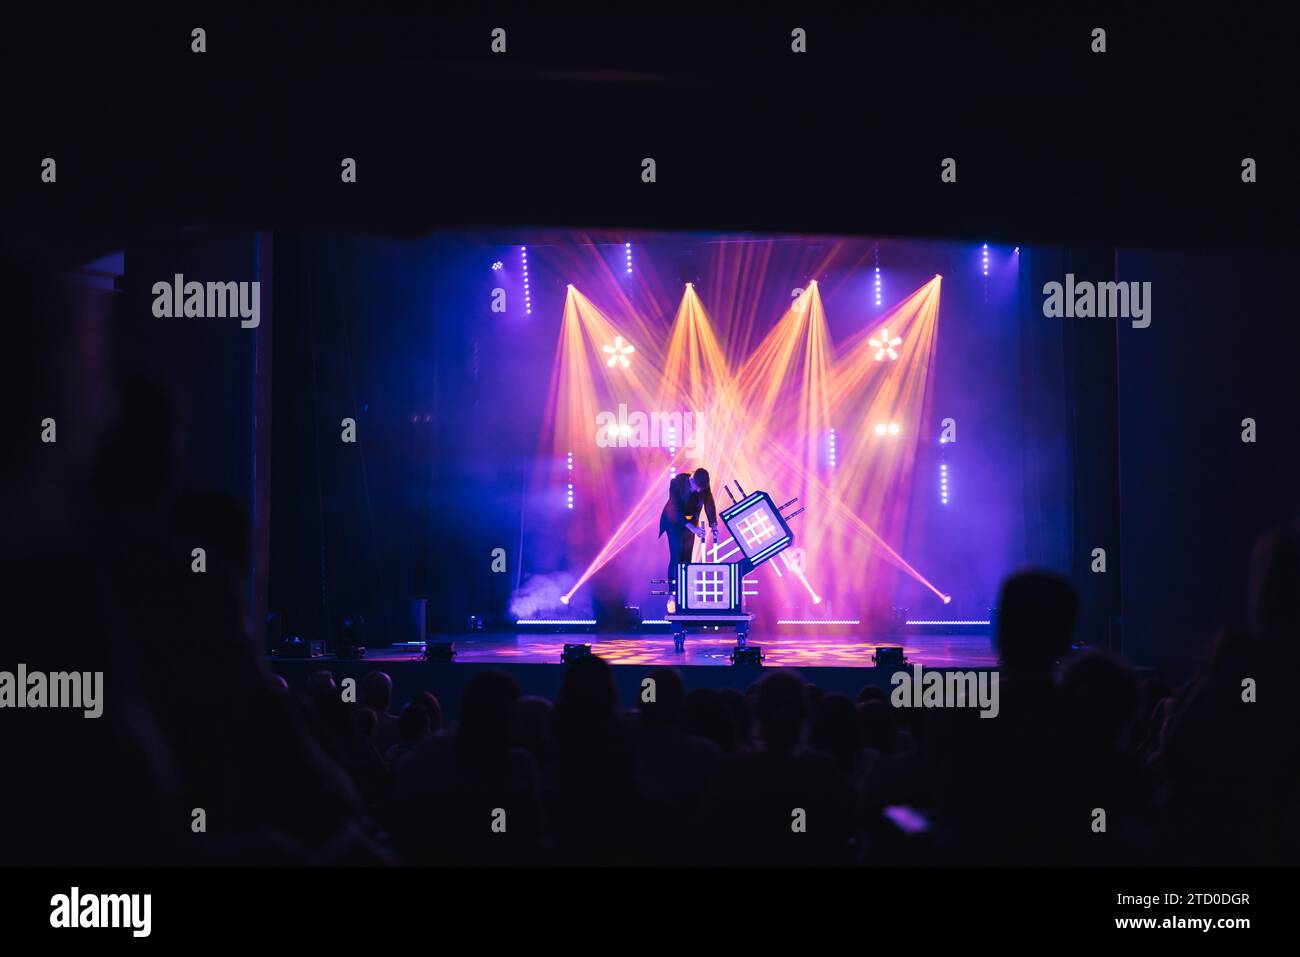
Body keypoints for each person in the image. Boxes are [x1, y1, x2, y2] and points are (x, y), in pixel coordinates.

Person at [659, 467, 719, 583]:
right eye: (696, 488)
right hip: (674, 521)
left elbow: (709, 504)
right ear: (692, 480)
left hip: (691, 521)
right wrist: (693, 528)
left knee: (687, 557)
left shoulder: (704, 486)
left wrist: (714, 525)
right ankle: (673, 592)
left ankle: (685, 589)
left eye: (700, 489)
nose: (698, 491)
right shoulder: (677, 482)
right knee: (677, 556)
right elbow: (675, 509)